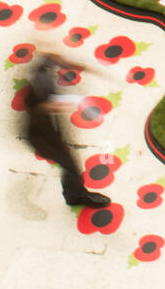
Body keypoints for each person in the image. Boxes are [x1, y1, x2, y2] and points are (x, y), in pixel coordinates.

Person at [22, 51, 111, 209]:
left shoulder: (43, 67)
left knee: (67, 160)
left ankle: (73, 192)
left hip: (50, 130)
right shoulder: (38, 100)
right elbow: (46, 107)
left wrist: (83, 67)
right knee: (69, 164)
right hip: (40, 137)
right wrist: (78, 103)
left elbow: (53, 57)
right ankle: (75, 196)